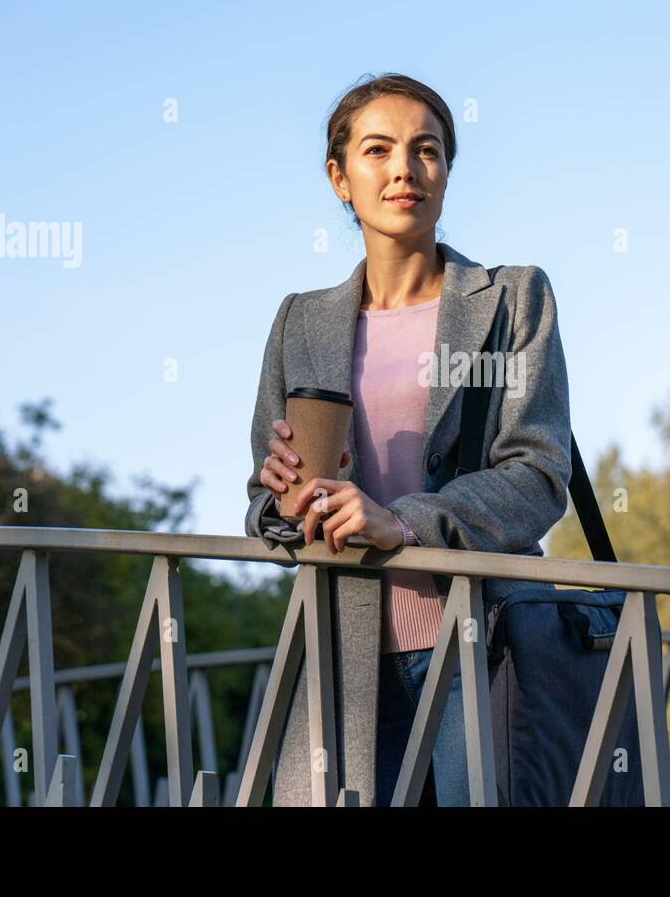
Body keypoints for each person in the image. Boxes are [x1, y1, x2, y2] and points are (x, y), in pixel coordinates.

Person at [245, 72, 573, 806]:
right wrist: (280, 494)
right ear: (339, 177)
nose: (404, 169)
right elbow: (264, 506)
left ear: (447, 171)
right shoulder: (300, 320)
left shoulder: (512, 298)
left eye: (426, 149)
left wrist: (406, 521)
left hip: (484, 641)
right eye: (377, 150)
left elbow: (538, 473)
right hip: (344, 654)